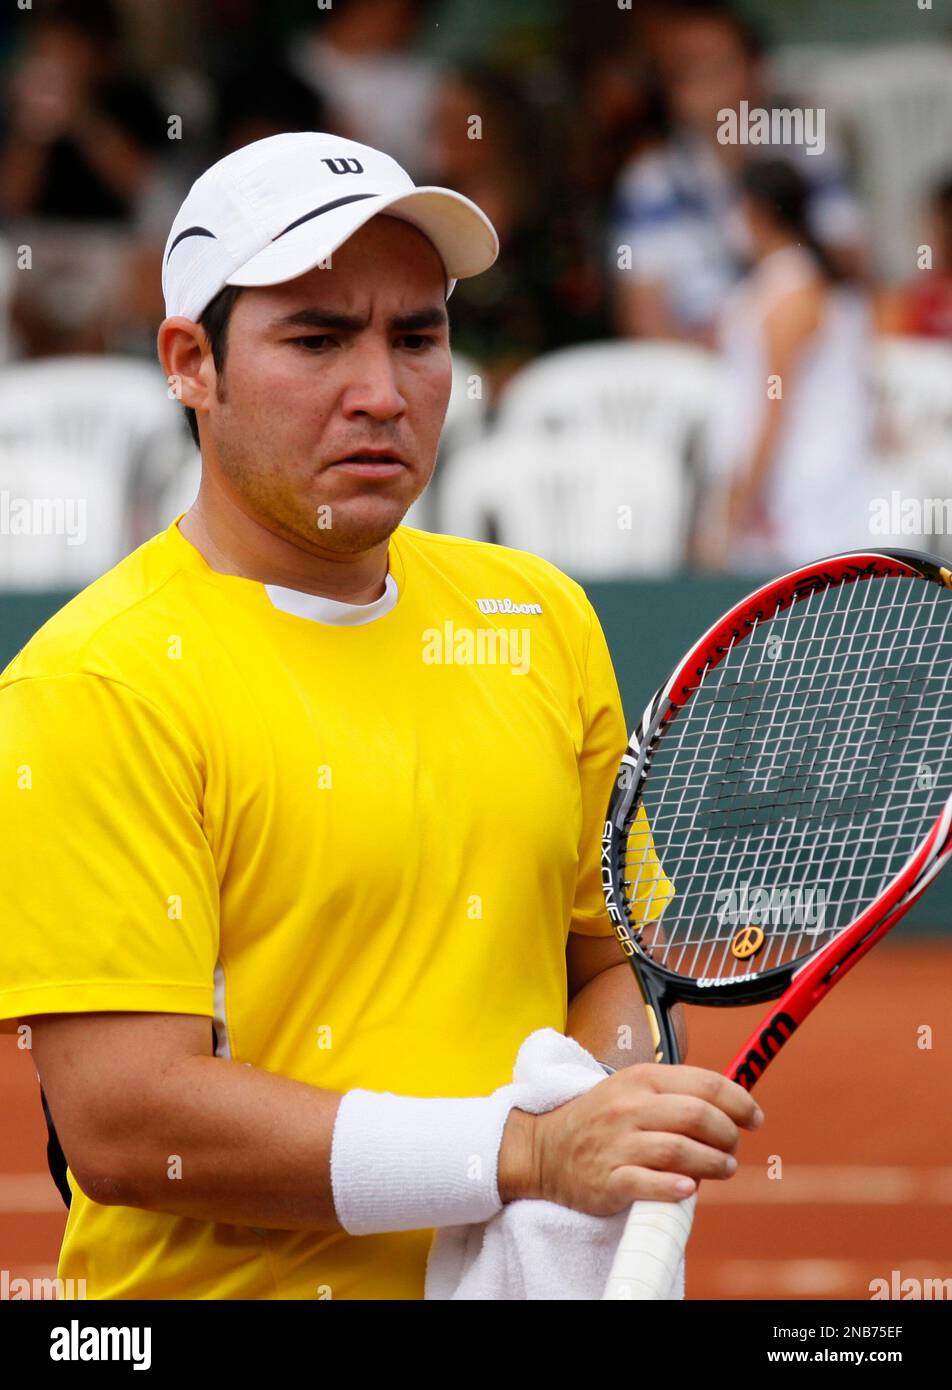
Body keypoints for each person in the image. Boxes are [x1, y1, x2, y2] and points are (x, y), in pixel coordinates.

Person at [0, 132, 760, 1301]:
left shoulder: (538, 613)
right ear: (190, 363)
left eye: (418, 337)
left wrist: (606, 1118)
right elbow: (123, 1119)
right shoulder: (94, 684)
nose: (382, 390)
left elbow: (611, 959)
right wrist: (521, 1155)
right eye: (316, 338)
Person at [609, 1, 862, 344]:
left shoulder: (808, 149)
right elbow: (644, 317)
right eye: (688, 71)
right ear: (668, 92)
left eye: (718, 65)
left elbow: (852, 272)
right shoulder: (651, 180)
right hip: (700, 374)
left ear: (756, 70)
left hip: (808, 354)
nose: (707, 86)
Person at [702, 159, 876, 572]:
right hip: (778, 481)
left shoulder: (793, 295)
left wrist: (741, 503)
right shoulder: (770, 286)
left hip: (804, 490)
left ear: (756, 211)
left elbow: (774, 404)